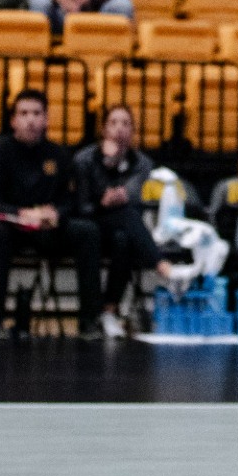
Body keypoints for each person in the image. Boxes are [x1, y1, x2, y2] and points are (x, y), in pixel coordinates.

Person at [0, 89, 103, 339]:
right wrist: (19, 213)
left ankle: (89, 321)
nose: (30, 119)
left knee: (88, 232)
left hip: (47, 228)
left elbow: (71, 200)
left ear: (46, 119)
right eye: (23, 113)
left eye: (37, 113)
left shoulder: (58, 154)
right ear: (13, 120)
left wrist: (55, 212)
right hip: (12, 226)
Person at [72, 104, 175, 340]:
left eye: (126, 123)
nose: (120, 129)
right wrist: (103, 190)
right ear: (103, 129)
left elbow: (134, 196)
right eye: (114, 123)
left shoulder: (142, 163)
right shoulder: (85, 159)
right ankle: (160, 263)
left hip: (125, 228)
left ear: (133, 131)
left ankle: (108, 311)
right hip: (91, 226)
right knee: (121, 219)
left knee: (123, 237)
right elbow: (82, 206)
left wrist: (116, 192)